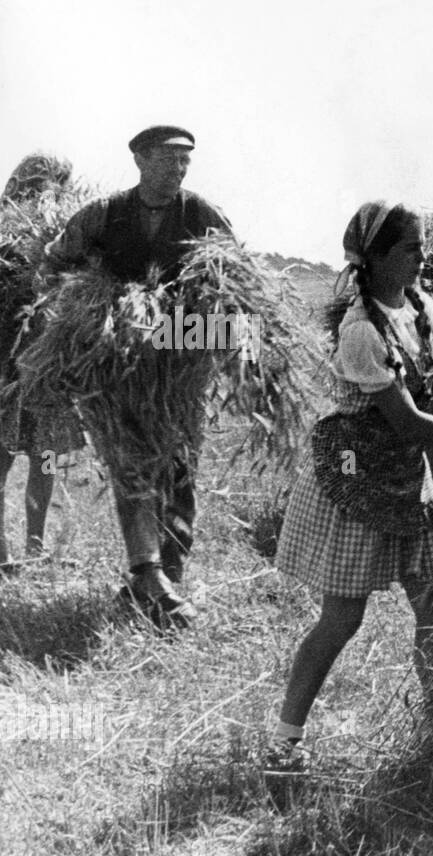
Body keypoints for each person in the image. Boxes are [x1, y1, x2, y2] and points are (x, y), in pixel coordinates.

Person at [267, 202, 433, 774]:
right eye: (411, 249)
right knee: (343, 619)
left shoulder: (420, 308)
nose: (423, 258)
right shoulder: (361, 331)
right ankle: (284, 738)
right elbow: (410, 421)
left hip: (406, 479)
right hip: (358, 480)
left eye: (422, 247)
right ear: (377, 258)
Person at [44, 125, 232, 626]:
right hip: (119, 367)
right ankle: (148, 574)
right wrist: (91, 311)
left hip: (179, 364)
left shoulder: (202, 214)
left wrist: (185, 329)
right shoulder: (103, 215)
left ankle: (167, 575)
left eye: (185, 161)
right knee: (132, 465)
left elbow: (233, 282)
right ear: (141, 161)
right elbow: (56, 264)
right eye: (169, 160)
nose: (179, 170)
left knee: (179, 469)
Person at [0, 153, 86, 569]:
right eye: (50, 185)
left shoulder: (61, 239)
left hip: (49, 373)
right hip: (7, 368)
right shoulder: (6, 235)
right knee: (2, 460)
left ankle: (36, 547)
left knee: (46, 458)